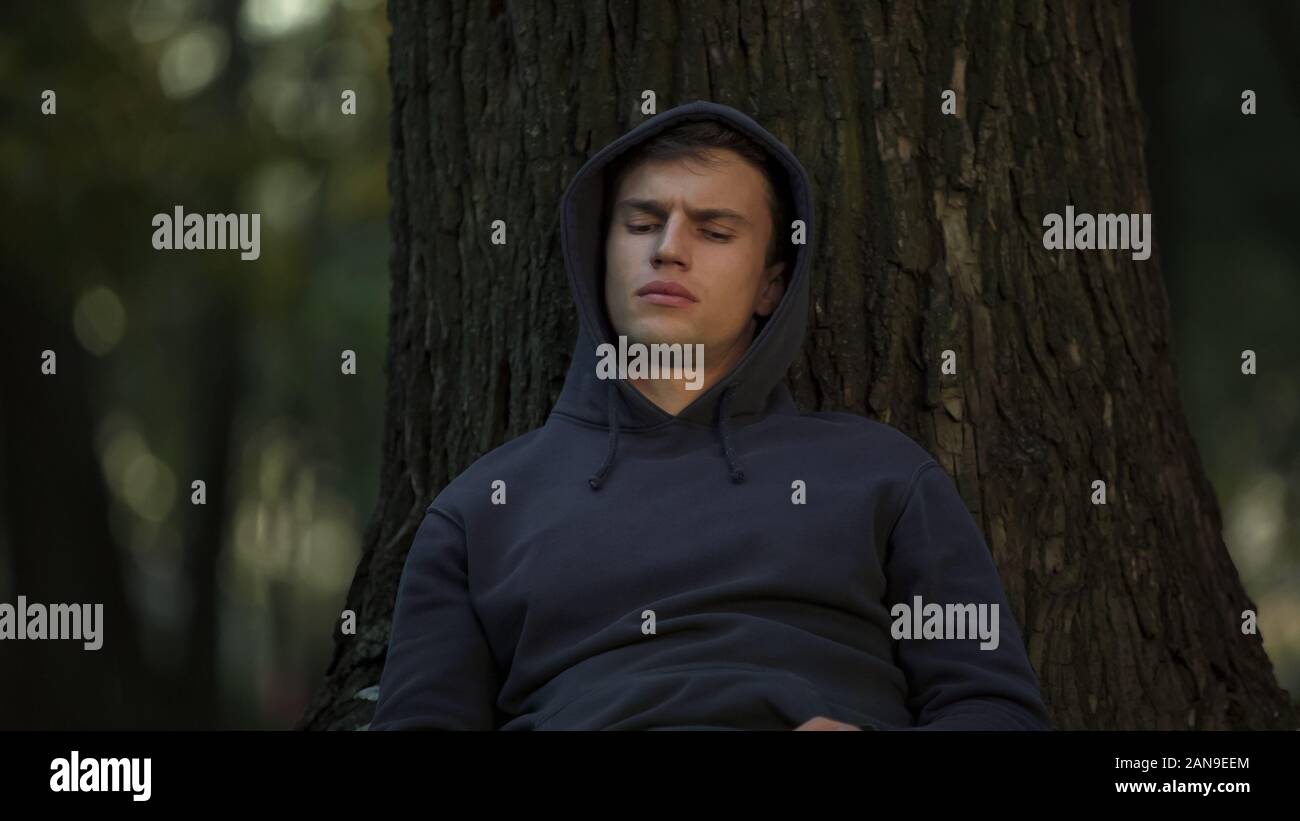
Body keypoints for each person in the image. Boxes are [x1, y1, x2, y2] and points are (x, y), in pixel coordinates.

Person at [369, 100, 1052, 731]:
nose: (668, 247)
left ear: (769, 285)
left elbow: (994, 707)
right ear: (596, 254)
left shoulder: (886, 477)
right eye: (641, 223)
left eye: (715, 230)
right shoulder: (480, 512)